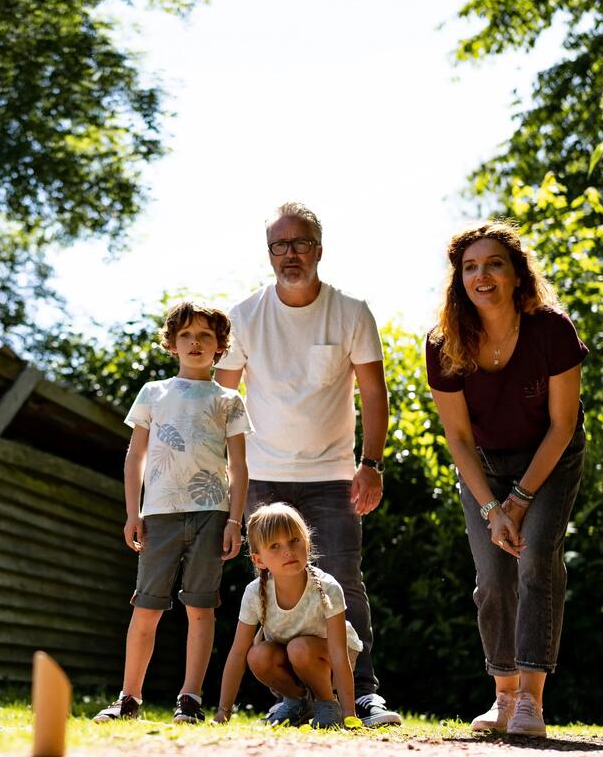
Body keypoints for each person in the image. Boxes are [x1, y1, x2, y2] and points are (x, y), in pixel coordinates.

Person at [214, 202, 400, 726]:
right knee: (268, 584)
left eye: (299, 244)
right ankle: (296, 695)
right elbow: (223, 404)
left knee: (343, 577)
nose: (289, 254)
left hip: (333, 474)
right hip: (264, 477)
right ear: (269, 253)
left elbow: (373, 393)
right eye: (279, 245)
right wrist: (228, 478)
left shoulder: (351, 311)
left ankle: (363, 693)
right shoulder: (244, 317)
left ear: (319, 249)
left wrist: (372, 463)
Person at [424, 220, 587, 737]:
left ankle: (530, 704)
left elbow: (563, 425)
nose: (482, 275)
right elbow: (459, 439)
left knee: (537, 557)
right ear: (459, 280)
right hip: (485, 469)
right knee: (493, 577)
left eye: (494, 264)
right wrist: (495, 508)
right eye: (470, 267)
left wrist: (520, 501)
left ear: (517, 274)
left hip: (551, 458)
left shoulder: (552, 329)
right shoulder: (444, 342)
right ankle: (503, 695)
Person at [96, 301, 251, 723]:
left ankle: (191, 699)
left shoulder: (230, 400)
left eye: (205, 335)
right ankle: (128, 699)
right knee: (145, 608)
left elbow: (238, 467)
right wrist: (133, 513)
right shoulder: (153, 393)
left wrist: (235, 521)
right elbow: (135, 459)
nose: (195, 342)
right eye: (186, 335)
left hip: (212, 515)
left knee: (200, 609)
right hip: (159, 515)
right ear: (172, 343)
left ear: (220, 346)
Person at [212, 503, 357, 728]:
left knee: (298, 648)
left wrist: (350, 714)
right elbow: (238, 653)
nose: (287, 551)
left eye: (294, 541)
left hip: (330, 662)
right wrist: (223, 712)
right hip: (291, 660)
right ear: (258, 559)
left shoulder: (328, 587)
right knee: (257, 655)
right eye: (275, 546)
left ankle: (329, 704)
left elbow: (339, 652)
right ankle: (298, 702)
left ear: (307, 543)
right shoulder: (254, 593)